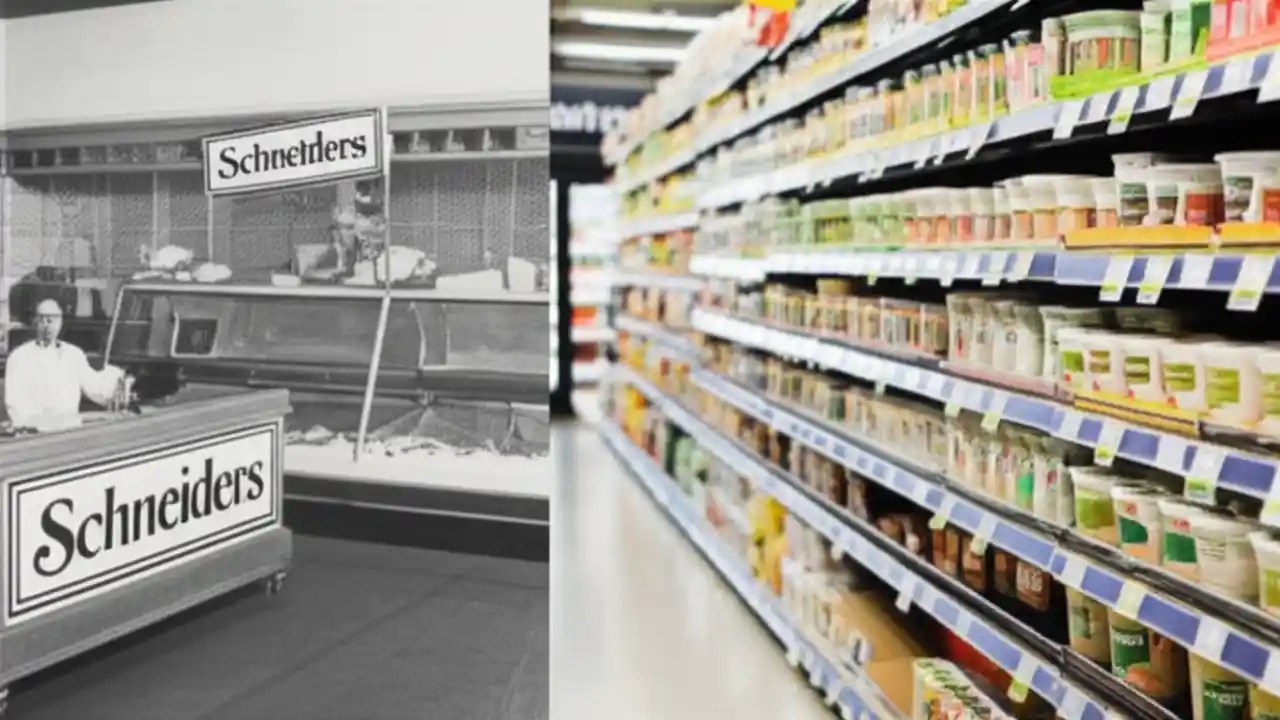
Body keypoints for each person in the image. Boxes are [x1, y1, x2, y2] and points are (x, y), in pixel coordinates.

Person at [4, 299, 131, 433]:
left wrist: (119, 381)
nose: (47, 325)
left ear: (61, 322)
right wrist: (86, 418)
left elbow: (96, 388)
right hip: (37, 436)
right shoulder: (19, 358)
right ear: (35, 322)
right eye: (42, 320)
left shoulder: (73, 354)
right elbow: (20, 413)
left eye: (52, 319)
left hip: (71, 434)